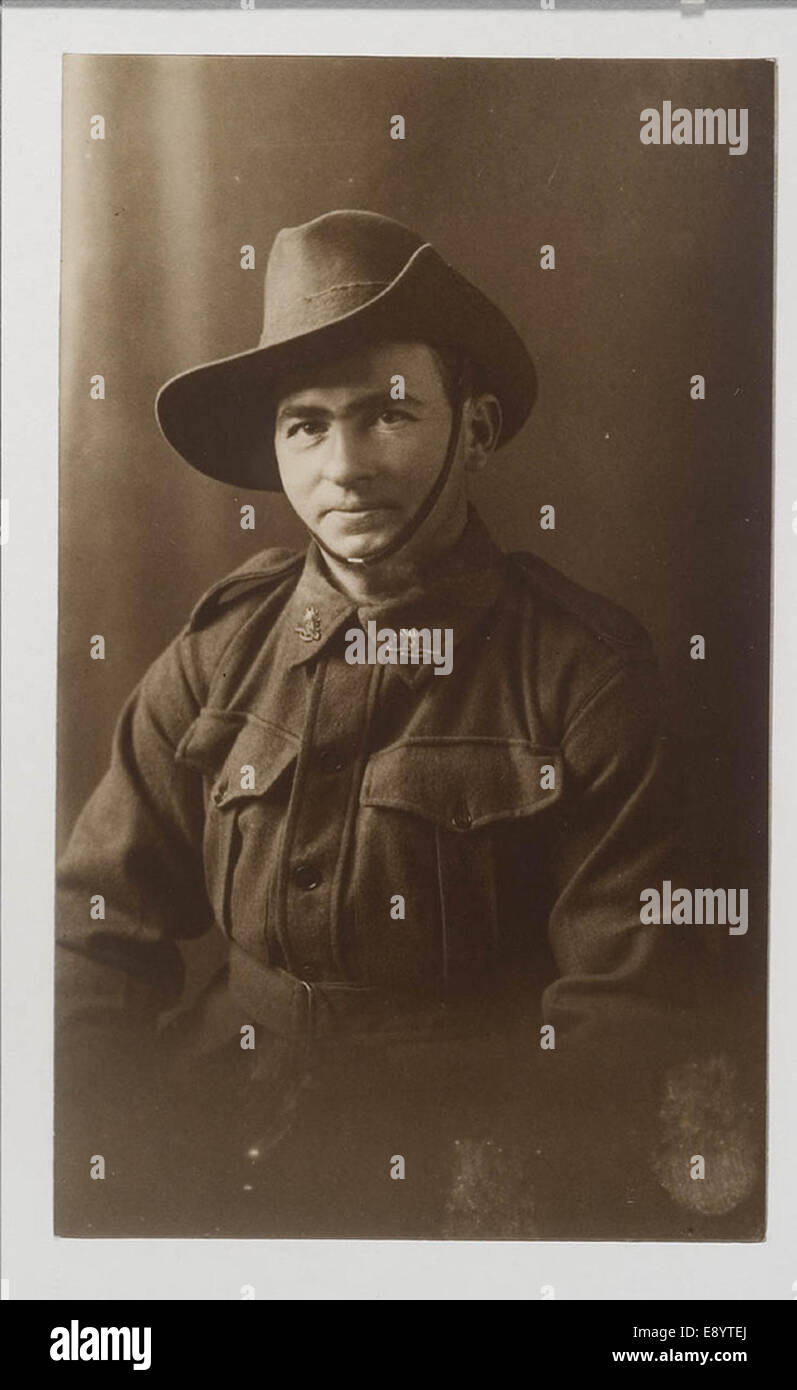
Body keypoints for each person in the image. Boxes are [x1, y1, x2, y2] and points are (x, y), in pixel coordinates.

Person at [55, 210, 760, 1239]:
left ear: (470, 429)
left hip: (462, 1167)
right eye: (305, 423)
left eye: (385, 413)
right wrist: (90, 1136)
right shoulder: (218, 649)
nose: (342, 464)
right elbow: (95, 927)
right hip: (211, 1118)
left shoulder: (579, 674)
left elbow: (628, 1012)